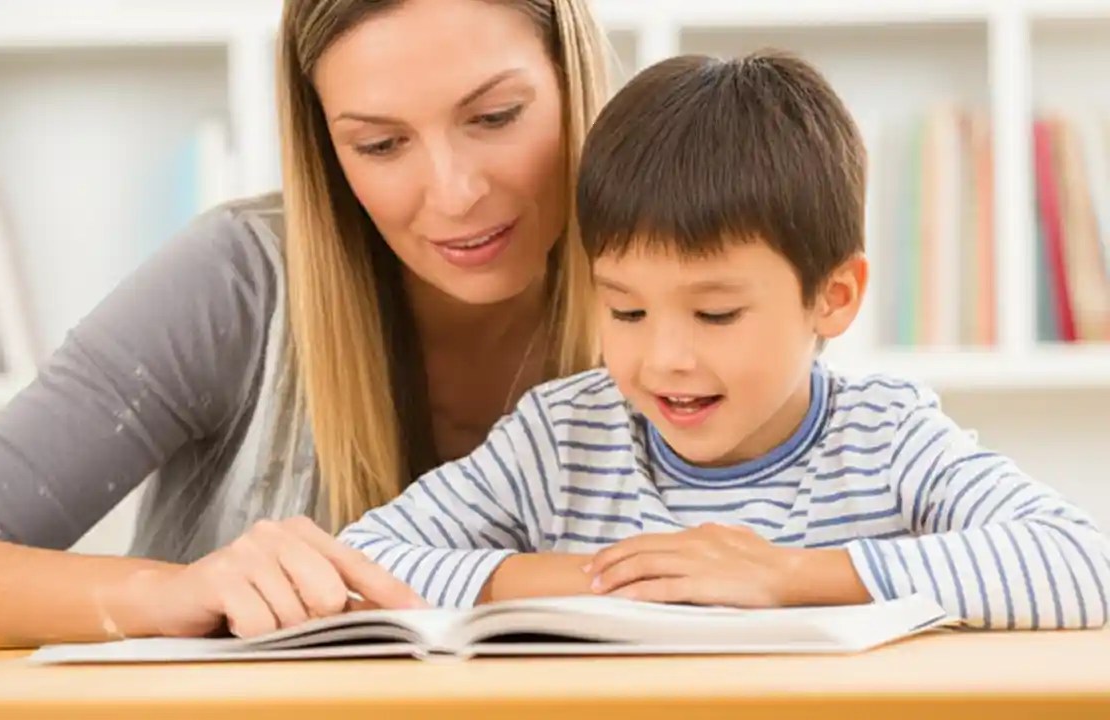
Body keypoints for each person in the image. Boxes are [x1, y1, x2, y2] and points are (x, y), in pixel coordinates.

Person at [0, 0, 613, 648]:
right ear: (326, 149)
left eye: (495, 117)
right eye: (380, 144)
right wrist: (172, 594)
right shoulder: (238, 284)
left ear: (573, 81)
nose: (452, 193)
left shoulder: (710, 276)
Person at [338, 51, 1110, 629]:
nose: (665, 357)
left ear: (833, 298)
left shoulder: (885, 438)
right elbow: (364, 563)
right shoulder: (563, 436)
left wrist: (788, 577)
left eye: (715, 315)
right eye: (628, 312)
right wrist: (607, 580)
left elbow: (1081, 565)